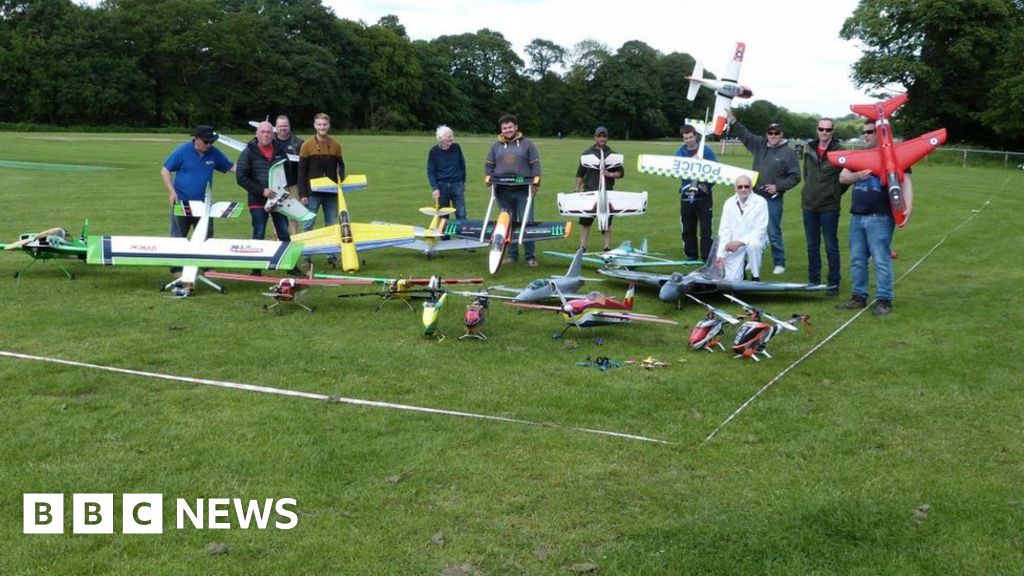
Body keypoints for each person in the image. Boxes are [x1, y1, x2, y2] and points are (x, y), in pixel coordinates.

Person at [835, 120, 912, 316]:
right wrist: (857, 176)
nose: (866, 135)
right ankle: (858, 297)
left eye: (870, 132)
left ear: (879, 133)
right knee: (857, 259)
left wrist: (907, 209)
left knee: (881, 259)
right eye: (864, 132)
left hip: (881, 217)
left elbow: (906, 184)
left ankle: (884, 300)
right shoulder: (859, 155)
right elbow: (842, 177)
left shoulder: (895, 156)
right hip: (857, 216)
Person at [727, 109, 801, 276]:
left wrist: (777, 187)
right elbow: (745, 135)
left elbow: (795, 177)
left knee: (773, 231)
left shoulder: (788, 153)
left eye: (776, 133)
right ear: (766, 134)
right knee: (749, 229)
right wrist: (733, 121)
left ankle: (779, 262)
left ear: (781, 134)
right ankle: (750, 258)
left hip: (773, 198)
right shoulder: (760, 145)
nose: (773, 136)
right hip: (754, 197)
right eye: (770, 133)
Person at [483, 114, 542, 267]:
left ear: (516, 127)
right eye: (504, 128)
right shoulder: (495, 147)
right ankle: (511, 255)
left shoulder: (528, 145)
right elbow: (488, 166)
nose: (507, 130)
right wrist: (489, 186)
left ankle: (530, 256)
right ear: (501, 129)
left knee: (527, 222)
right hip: (502, 192)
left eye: (510, 127)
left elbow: (536, 166)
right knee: (508, 223)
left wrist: (535, 186)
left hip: (524, 191)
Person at [160, 125, 235, 240]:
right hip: (182, 204)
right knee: (177, 240)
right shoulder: (182, 151)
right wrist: (172, 192)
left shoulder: (214, 153)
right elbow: (165, 170)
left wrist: (250, 171)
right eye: (206, 142)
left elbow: (231, 167)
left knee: (205, 240)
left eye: (211, 142)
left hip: (204, 206)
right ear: (197, 139)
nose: (209, 145)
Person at [802, 117, 847, 296]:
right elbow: (807, 174)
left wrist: (834, 192)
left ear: (832, 131)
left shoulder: (840, 151)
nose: (824, 132)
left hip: (829, 206)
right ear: (817, 130)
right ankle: (813, 280)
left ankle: (833, 283)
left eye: (828, 130)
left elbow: (846, 178)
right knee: (812, 245)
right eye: (821, 129)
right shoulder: (809, 148)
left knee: (831, 246)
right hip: (809, 205)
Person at [297, 113, 344, 265]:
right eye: (319, 124)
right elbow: (301, 171)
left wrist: (341, 182)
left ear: (329, 126)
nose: (322, 127)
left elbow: (341, 166)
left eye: (324, 124)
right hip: (312, 193)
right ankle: (306, 256)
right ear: (315, 126)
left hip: (331, 193)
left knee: (331, 224)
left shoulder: (336, 145)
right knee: (308, 224)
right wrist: (303, 194)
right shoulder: (307, 145)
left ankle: (331, 255)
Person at [236, 121, 291, 243]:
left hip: (278, 199)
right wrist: (262, 191)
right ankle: (256, 256)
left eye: (269, 132)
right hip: (257, 201)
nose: (266, 135)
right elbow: (241, 177)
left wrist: (284, 188)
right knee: (259, 233)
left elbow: (288, 171)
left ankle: (287, 256)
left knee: (283, 232)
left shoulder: (280, 151)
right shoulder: (248, 152)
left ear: (273, 134)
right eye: (263, 132)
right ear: (257, 134)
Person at [573, 125, 623, 251]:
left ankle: (607, 247)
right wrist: (576, 189)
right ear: (595, 138)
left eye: (604, 136)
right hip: (589, 191)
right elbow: (580, 174)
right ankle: (582, 246)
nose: (602, 139)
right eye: (599, 136)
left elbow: (621, 173)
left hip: (606, 192)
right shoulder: (586, 154)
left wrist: (609, 174)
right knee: (585, 221)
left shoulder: (612, 155)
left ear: (607, 138)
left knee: (606, 221)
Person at [675, 124, 718, 262]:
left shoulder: (707, 151)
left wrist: (707, 186)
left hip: (704, 196)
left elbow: (716, 170)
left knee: (706, 228)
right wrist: (690, 162)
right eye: (686, 138)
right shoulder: (680, 153)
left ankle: (706, 256)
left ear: (695, 136)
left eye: (691, 137)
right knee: (688, 226)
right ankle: (691, 255)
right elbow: (676, 170)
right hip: (687, 194)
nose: (689, 140)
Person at [715, 175, 768, 281]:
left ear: (751, 187)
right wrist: (720, 255)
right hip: (734, 244)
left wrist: (740, 242)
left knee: (754, 245)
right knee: (732, 281)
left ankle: (755, 276)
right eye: (740, 187)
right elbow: (724, 230)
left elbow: (761, 230)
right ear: (735, 188)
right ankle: (741, 270)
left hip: (754, 240)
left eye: (746, 186)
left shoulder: (760, 202)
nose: (743, 189)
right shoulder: (729, 203)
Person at [426, 125, 468, 219]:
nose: (451, 138)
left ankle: (463, 229)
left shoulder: (456, 147)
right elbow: (431, 171)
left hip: (457, 184)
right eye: (449, 137)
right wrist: (435, 188)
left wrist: (463, 181)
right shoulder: (433, 151)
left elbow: (462, 165)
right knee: (443, 215)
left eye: (452, 136)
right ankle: (444, 229)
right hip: (442, 186)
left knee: (461, 213)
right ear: (441, 138)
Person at [274, 115, 304, 236]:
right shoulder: (270, 141)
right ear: (276, 127)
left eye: (285, 126)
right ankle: (278, 238)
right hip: (276, 185)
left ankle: (294, 237)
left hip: (293, 184)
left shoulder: (298, 143)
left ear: (289, 126)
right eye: (280, 126)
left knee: (294, 212)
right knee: (276, 212)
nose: (283, 128)